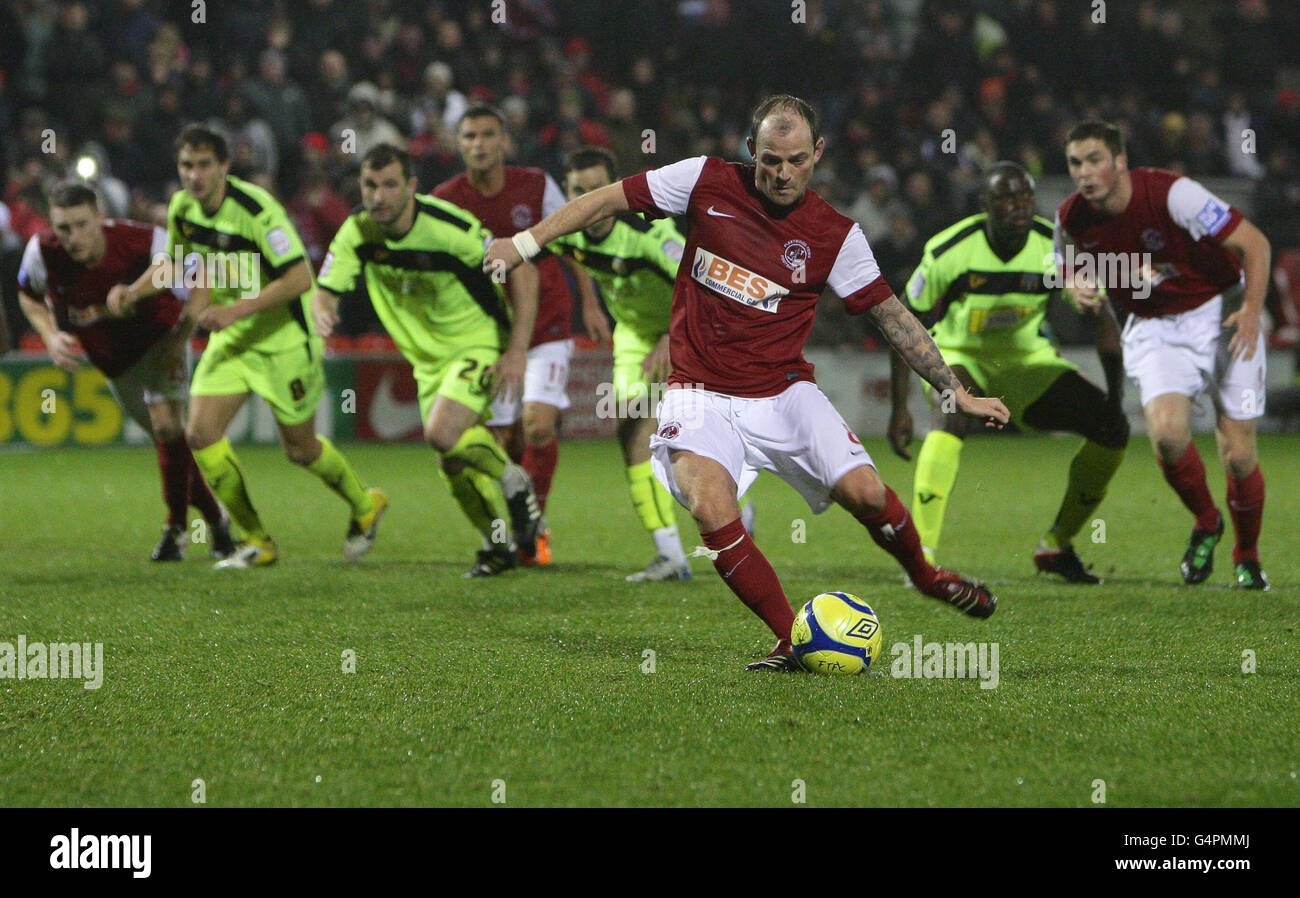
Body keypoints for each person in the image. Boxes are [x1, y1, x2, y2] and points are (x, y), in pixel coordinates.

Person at [486, 95, 1010, 671]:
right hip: (697, 391)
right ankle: (793, 639)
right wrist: (525, 242)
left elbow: (892, 315)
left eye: (796, 161)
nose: (783, 174)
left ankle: (928, 577)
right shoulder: (704, 180)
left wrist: (951, 389)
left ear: (818, 154)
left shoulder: (836, 234)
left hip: (784, 393)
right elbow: (604, 199)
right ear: (749, 151)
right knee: (710, 509)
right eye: (770, 160)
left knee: (864, 493)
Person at [109, 124, 385, 570]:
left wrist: (236, 310)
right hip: (234, 342)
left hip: (283, 342)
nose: (194, 175)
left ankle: (364, 503)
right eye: (186, 165)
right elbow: (175, 264)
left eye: (203, 165)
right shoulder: (183, 208)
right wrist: (133, 291)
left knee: (299, 449)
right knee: (200, 434)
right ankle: (258, 540)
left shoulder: (257, 210)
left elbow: (299, 278)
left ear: (224, 166)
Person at [889, 162, 1129, 582]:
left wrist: (1116, 397)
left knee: (1114, 429)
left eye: (1025, 198)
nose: (1018, 206)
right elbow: (903, 326)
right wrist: (899, 409)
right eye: (1005, 198)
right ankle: (920, 557)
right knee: (953, 412)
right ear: (985, 204)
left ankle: (1056, 544)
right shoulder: (951, 250)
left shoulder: (1056, 248)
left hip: (1026, 363)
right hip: (958, 354)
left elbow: (1102, 316)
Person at [312, 144, 544, 577]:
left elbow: (523, 268)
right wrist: (323, 306)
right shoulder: (357, 232)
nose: (378, 196)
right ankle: (497, 545)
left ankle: (514, 480)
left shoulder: (448, 227)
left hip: (476, 342)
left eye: (389, 185)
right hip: (426, 362)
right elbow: (325, 287)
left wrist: (515, 349)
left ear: (411, 187)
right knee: (452, 463)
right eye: (369, 185)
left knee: (441, 433)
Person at [1057, 121, 1272, 589]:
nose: (1084, 172)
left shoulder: (1174, 195)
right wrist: (1074, 285)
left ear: (1118, 161)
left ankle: (1248, 557)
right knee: (1168, 437)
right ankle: (1207, 521)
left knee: (1237, 456)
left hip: (1224, 311)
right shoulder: (1072, 217)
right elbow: (1064, 263)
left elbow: (1254, 243)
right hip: (1154, 325)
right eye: (1076, 162)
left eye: (1094, 159)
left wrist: (1254, 310)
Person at [18, 181, 235, 562]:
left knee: (168, 427)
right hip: (114, 361)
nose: (72, 237)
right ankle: (217, 520)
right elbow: (28, 294)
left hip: (160, 344)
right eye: (63, 228)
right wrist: (50, 336)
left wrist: (178, 334)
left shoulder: (144, 240)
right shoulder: (42, 251)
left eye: (82, 225)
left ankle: (176, 530)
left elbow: (195, 276)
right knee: (168, 441)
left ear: (100, 219)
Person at [434, 104, 602, 566]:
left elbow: (568, 241)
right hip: (490, 332)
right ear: (459, 143)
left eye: (489, 134)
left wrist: (588, 300)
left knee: (537, 424)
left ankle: (536, 528)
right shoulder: (446, 199)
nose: (479, 144)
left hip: (547, 319)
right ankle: (516, 524)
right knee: (504, 439)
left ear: (504, 141)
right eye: (469, 136)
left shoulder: (536, 185)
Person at [547, 146, 691, 581]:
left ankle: (735, 506)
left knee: (692, 436)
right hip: (631, 333)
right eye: (578, 192)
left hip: (689, 330)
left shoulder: (649, 236)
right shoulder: (571, 230)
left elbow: (701, 282)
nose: (589, 201)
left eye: (598, 190)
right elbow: (574, 255)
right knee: (630, 424)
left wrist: (670, 336)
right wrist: (589, 302)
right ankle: (671, 555)